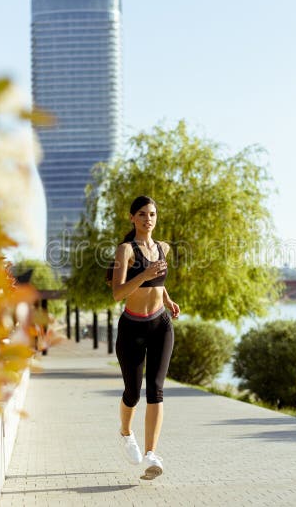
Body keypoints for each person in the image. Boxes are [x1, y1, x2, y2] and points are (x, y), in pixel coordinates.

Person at [110, 195, 180, 480]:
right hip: (132, 328)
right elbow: (118, 292)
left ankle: (152, 453)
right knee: (132, 392)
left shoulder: (163, 247)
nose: (147, 219)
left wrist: (168, 298)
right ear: (132, 218)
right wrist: (145, 274)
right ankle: (126, 432)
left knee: (156, 389)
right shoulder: (125, 250)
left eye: (152, 214)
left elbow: (158, 283)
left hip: (160, 324)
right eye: (142, 214)